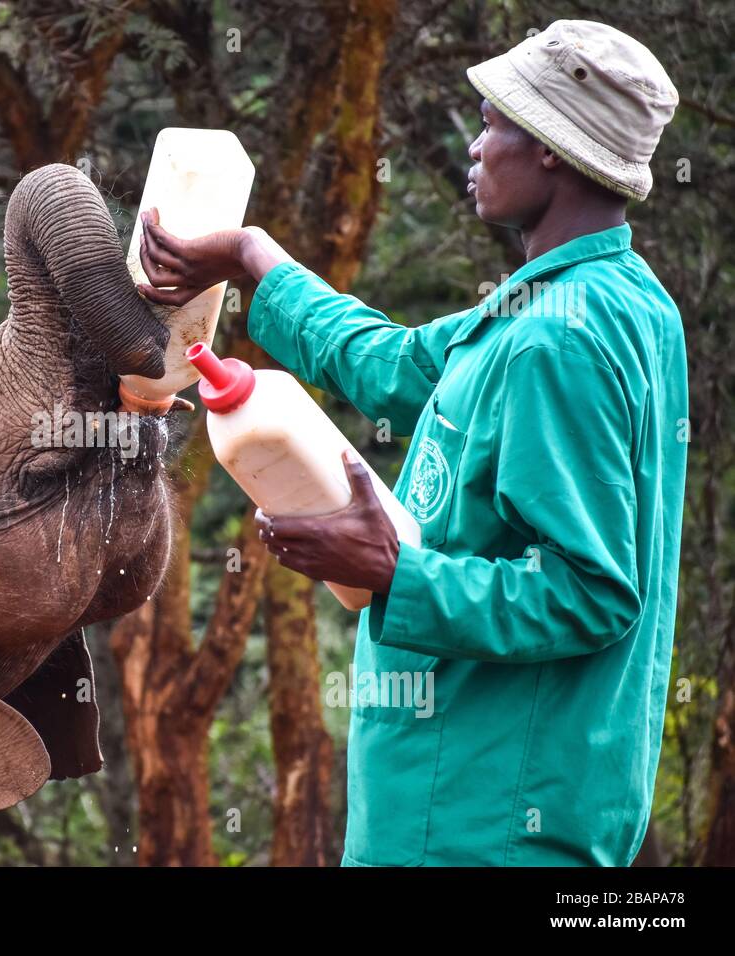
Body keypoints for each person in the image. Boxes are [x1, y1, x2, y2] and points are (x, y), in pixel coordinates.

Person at [136, 20, 687, 866]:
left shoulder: (558, 339)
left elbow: (592, 592)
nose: (475, 146)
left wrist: (394, 569)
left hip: (479, 818)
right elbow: (395, 366)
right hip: (487, 802)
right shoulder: (604, 302)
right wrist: (253, 260)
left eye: (494, 123)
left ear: (549, 149)